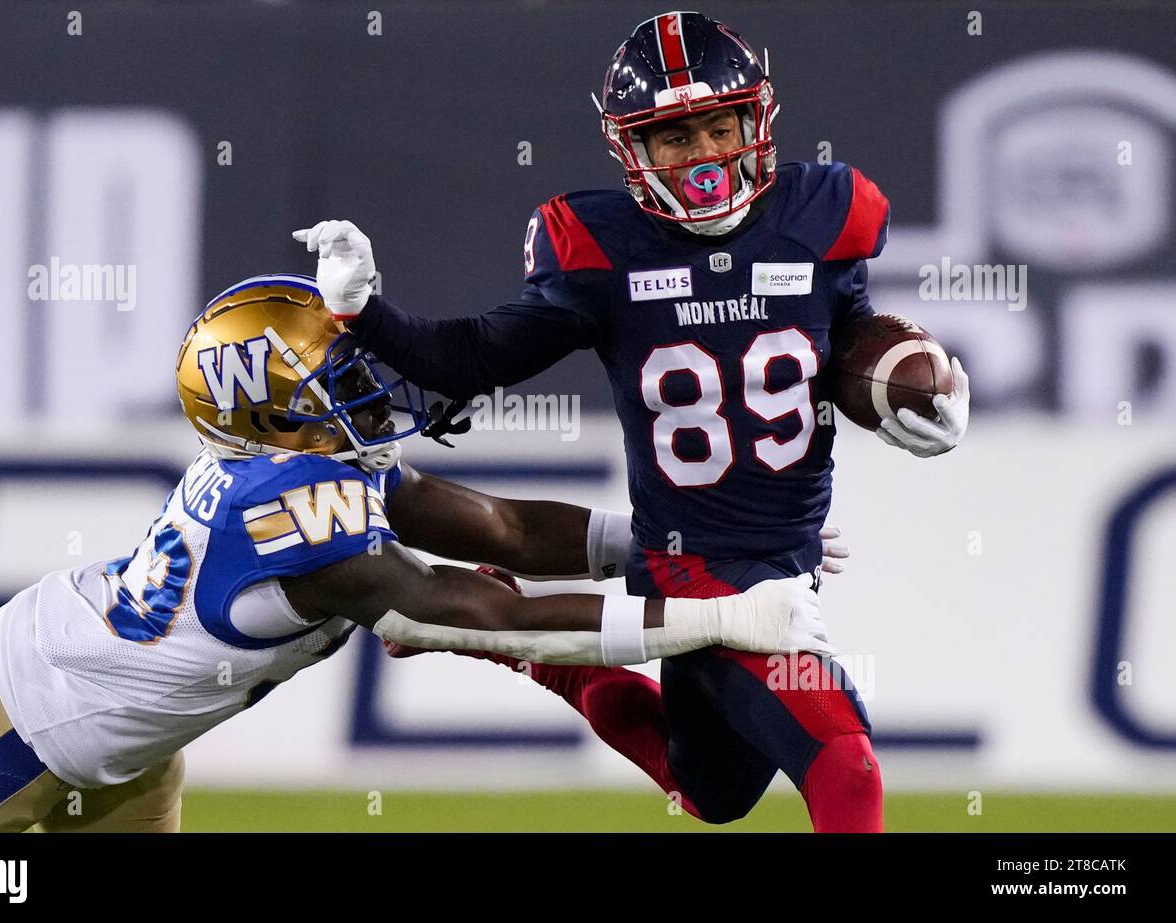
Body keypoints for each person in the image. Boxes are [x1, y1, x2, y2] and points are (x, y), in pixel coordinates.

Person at [294, 12, 971, 831]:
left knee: (714, 794)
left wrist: (908, 380)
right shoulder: (602, 250)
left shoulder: (826, 214)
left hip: (789, 555)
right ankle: (514, 636)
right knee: (847, 769)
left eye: (720, 126)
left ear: (755, 119)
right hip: (691, 570)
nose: (706, 157)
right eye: (674, 139)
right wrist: (360, 307)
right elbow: (475, 358)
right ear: (632, 151)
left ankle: (536, 657)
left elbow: (843, 327)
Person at [0, 274, 828, 833]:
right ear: (271, 410)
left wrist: (669, 542)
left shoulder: (320, 464)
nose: (369, 380)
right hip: (15, 721)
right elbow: (490, 610)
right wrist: (717, 615)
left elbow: (501, 529)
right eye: (336, 373)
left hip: (129, 749)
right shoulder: (289, 504)